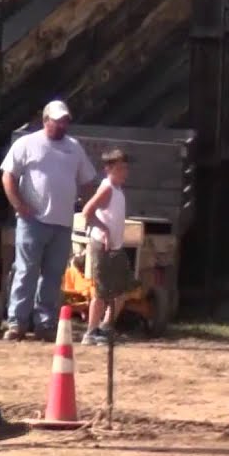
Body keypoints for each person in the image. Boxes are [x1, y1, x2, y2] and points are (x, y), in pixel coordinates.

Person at [1, 100, 97, 341]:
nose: (62, 124)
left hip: (62, 223)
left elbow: (86, 181)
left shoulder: (74, 148)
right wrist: (19, 205)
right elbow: (8, 176)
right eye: (58, 120)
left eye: (65, 120)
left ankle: (45, 323)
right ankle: (17, 323)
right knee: (26, 271)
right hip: (32, 221)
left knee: (54, 275)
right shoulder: (27, 144)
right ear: (46, 120)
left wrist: (88, 210)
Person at [79, 148, 132, 346]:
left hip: (115, 248)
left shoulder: (118, 190)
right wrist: (105, 231)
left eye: (125, 168)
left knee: (123, 291)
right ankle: (90, 332)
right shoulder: (107, 188)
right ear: (108, 169)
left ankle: (104, 327)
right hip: (101, 245)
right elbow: (87, 211)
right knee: (101, 293)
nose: (123, 172)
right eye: (119, 168)